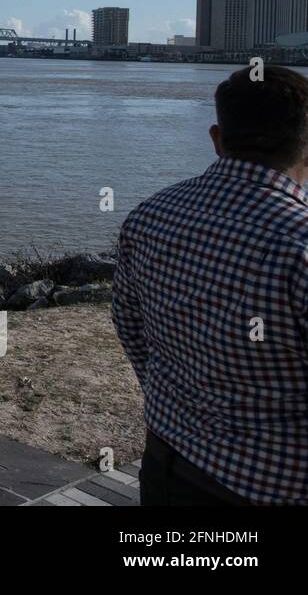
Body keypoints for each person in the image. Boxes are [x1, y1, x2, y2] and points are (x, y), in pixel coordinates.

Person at [112, 64, 308, 505]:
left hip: (168, 459)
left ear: (217, 138)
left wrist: (181, 403)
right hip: (275, 487)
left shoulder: (149, 216)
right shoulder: (299, 243)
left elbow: (129, 326)